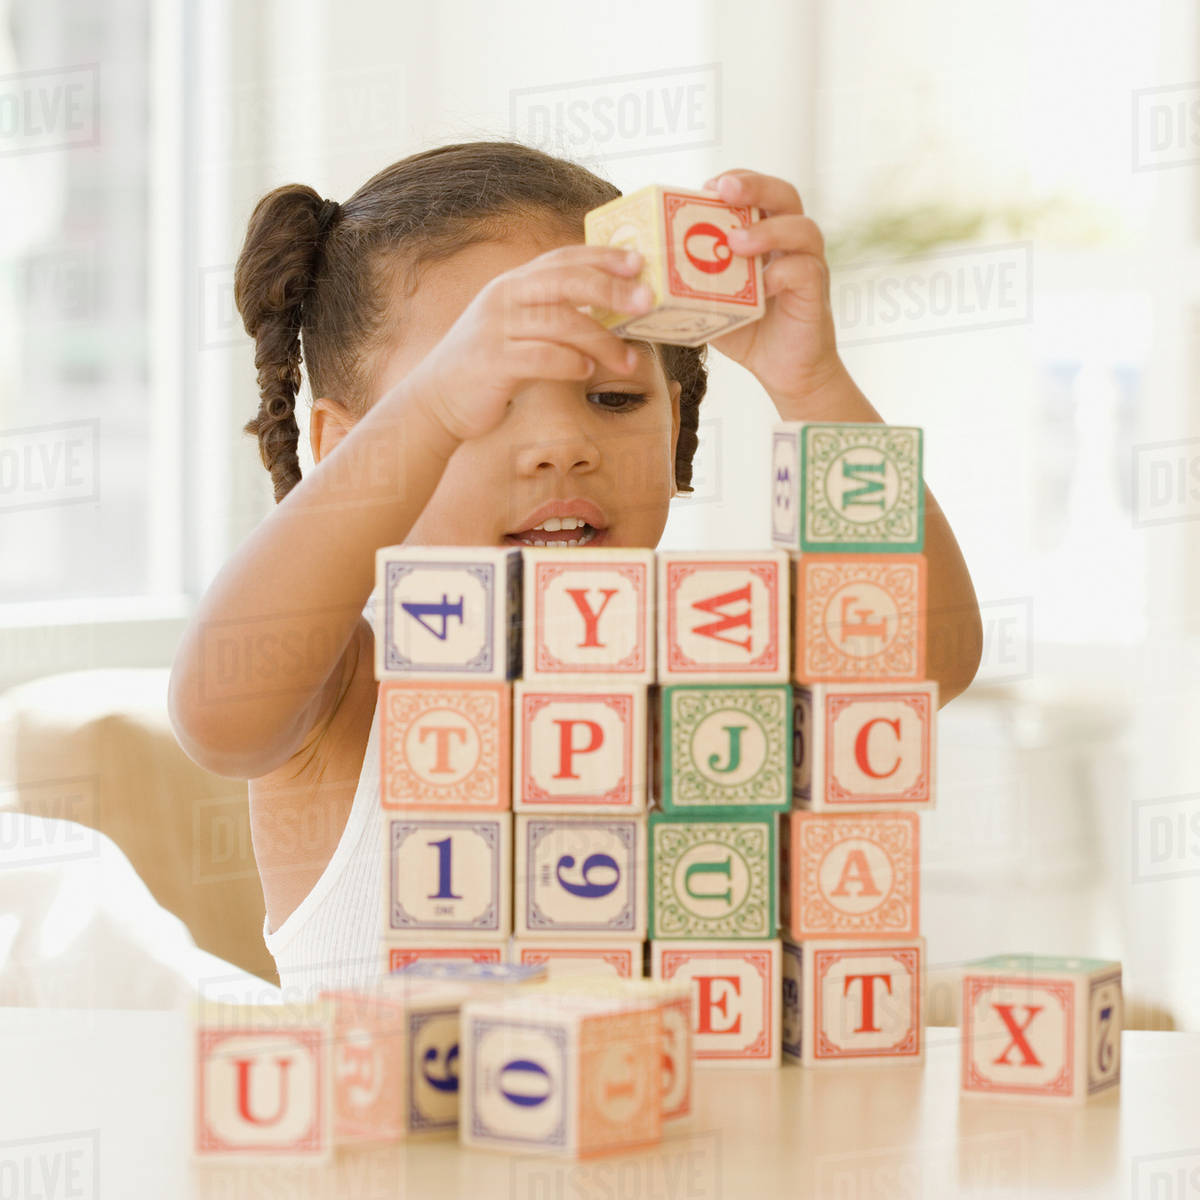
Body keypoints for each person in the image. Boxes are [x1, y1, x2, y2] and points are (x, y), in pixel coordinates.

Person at [167, 140, 983, 1000]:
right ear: (349, 454)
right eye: (479, 406)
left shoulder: (714, 661)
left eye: (616, 398)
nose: (563, 447)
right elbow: (218, 713)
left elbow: (926, 659)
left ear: (672, 430)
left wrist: (810, 385)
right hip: (410, 1137)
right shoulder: (346, 695)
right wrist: (435, 404)